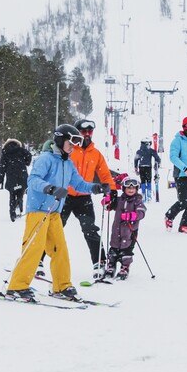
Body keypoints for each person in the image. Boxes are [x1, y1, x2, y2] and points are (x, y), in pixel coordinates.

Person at [3, 124, 96, 302]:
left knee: (59, 249)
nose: (74, 146)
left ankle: (61, 287)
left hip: (54, 213)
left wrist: (96, 187)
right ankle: (17, 286)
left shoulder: (68, 163)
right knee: (34, 248)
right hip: (38, 210)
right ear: (61, 140)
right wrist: (50, 188)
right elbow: (33, 180)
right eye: (71, 142)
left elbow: (78, 184)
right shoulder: (45, 159)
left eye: (77, 143)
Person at [64, 118, 118, 279]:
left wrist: (112, 191)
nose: (87, 134)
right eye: (83, 131)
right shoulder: (70, 149)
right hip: (65, 196)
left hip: (84, 197)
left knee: (90, 230)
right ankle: (37, 259)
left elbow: (105, 174)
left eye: (89, 131)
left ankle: (99, 262)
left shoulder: (95, 154)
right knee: (54, 227)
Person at [101, 176, 146, 281]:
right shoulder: (120, 199)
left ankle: (125, 267)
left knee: (126, 251)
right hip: (116, 230)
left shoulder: (137, 200)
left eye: (133, 188)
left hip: (130, 231)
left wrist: (132, 216)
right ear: (123, 189)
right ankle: (111, 266)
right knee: (113, 249)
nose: (131, 190)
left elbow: (142, 212)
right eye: (128, 188)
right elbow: (109, 206)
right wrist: (107, 200)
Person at [0, 137, 31, 221]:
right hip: (22, 175)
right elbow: (29, 156)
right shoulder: (21, 150)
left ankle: (12, 213)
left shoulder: (5, 152)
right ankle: (19, 204)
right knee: (20, 193)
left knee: (12, 195)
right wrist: (27, 162)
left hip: (11, 177)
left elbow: (2, 168)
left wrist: (0, 180)